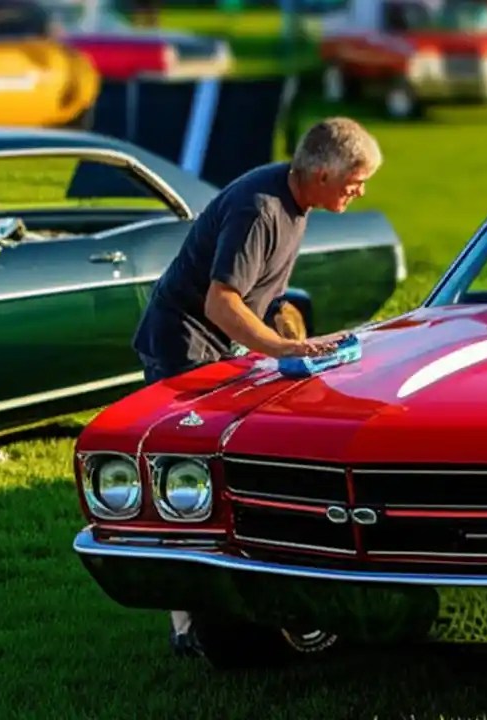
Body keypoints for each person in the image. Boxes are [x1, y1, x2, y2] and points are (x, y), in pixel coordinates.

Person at [130, 116, 382, 655]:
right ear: (319, 171)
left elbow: (267, 297)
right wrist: (281, 350)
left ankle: (242, 590)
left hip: (220, 347)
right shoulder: (260, 209)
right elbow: (221, 301)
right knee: (189, 473)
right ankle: (186, 628)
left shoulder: (300, 203)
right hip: (184, 347)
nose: (359, 191)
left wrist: (308, 344)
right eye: (354, 181)